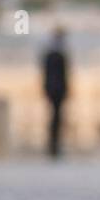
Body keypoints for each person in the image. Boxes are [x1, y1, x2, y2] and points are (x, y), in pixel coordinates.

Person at [42, 26, 69, 158]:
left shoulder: (51, 53)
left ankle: (54, 145)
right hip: (56, 90)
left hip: (54, 90)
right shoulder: (57, 53)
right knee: (56, 118)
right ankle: (54, 146)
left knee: (56, 117)